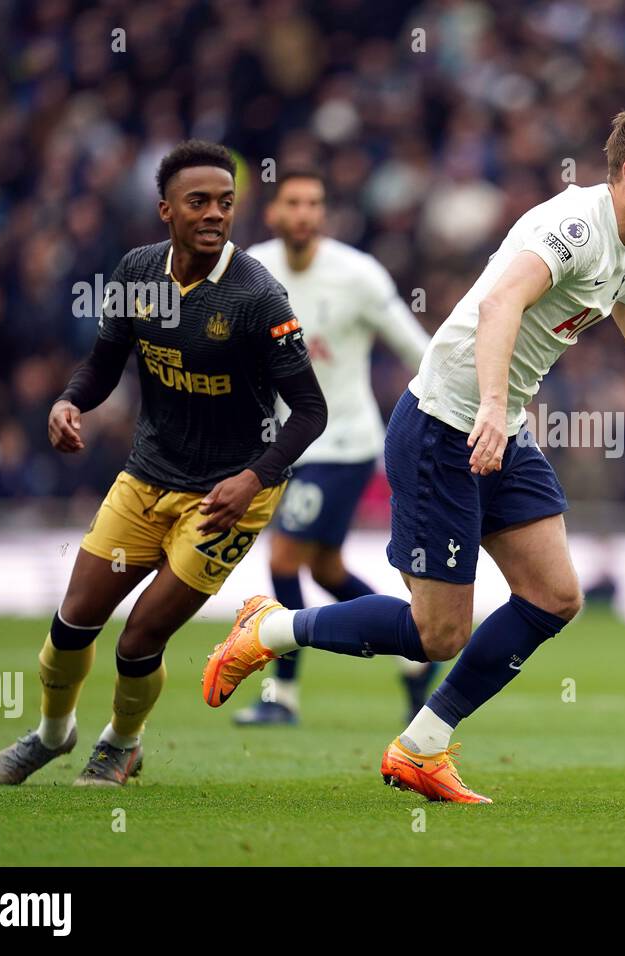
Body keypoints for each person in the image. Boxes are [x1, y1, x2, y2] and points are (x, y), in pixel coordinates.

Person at [203, 100, 625, 803]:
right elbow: (500, 304)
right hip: (444, 425)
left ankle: (421, 747)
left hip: (497, 427)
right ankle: (271, 628)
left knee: (554, 596)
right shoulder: (572, 227)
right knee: (438, 633)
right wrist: (488, 404)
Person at [0, 141, 326, 787]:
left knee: (139, 639)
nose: (215, 214)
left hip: (229, 496)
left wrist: (252, 477)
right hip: (145, 478)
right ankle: (54, 735)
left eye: (225, 202)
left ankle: (121, 743)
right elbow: (105, 362)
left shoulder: (258, 298)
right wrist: (68, 401)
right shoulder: (137, 272)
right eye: (199, 202)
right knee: (72, 621)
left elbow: (309, 411)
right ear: (166, 209)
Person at [233, 170, 437, 727]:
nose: (303, 213)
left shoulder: (358, 275)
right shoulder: (251, 267)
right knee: (325, 568)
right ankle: (413, 650)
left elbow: (417, 348)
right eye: (292, 203)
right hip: (284, 446)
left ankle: (284, 696)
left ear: (323, 214)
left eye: (314, 204)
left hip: (342, 443)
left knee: (282, 557)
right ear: (273, 212)